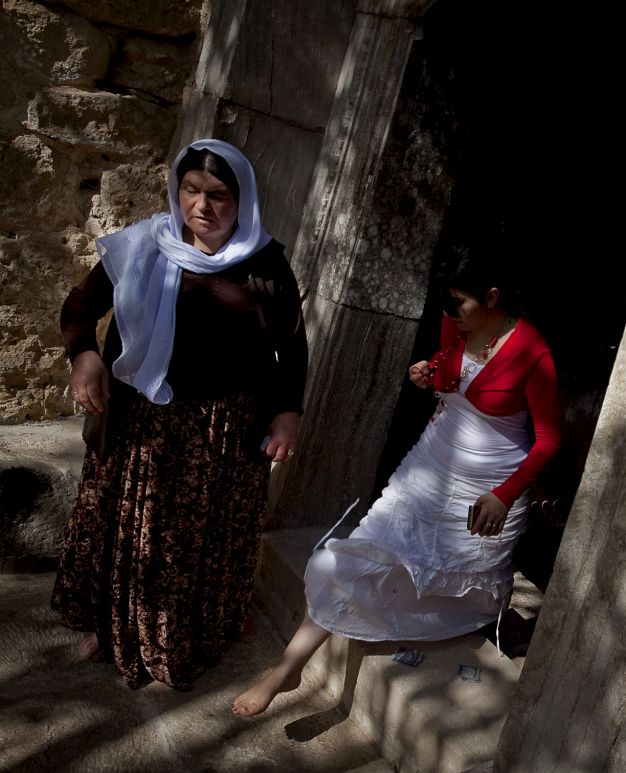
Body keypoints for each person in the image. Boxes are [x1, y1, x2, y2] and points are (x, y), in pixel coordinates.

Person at [232, 243, 562, 716]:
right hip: (431, 463)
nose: (450, 313)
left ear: (491, 297)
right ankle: (289, 667)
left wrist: (506, 496)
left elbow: (549, 440)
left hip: (490, 484)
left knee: (463, 593)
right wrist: (428, 371)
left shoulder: (532, 350)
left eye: (459, 304)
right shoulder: (457, 322)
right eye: (446, 303)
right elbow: (451, 368)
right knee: (356, 552)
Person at [53, 138, 308, 690]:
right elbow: (79, 309)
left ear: (242, 201)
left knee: (198, 537)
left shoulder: (265, 263)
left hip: (222, 432)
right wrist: (87, 356)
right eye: (191, 190)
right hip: (141, 424)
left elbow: (292, 350)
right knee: (133, 531)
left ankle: (189, 632)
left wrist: (287, 412)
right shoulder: (143, 245)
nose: (202, 206)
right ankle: (112, 624)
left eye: (218, 194)